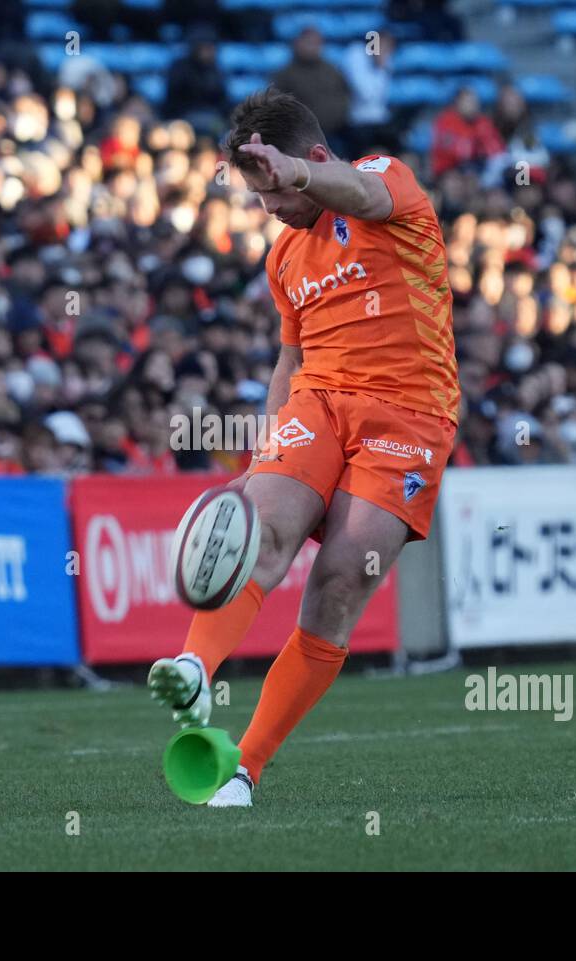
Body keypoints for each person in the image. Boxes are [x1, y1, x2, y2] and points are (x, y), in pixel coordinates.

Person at [146, 88, 458, 806]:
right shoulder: (284, 255)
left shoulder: (383, 177)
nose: (271, 210)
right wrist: (265, 448)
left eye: (275, 191)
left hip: (409, 416)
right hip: (317, 400)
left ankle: (244, 767)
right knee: (265, 528)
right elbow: (289, 359)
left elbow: (361, 191)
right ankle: (194, 665)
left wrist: (300, 175)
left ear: (309, 160)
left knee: (341, 582)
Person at [270, 28, 351, 151]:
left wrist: (341, 115)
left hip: (335, 134)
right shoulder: (285, 74)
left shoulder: (331, 70)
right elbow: (276, 105)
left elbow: (345, 93)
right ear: (298, 43)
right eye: (308, 43)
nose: (312, 47)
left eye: (316, 43)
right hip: (300, 139)